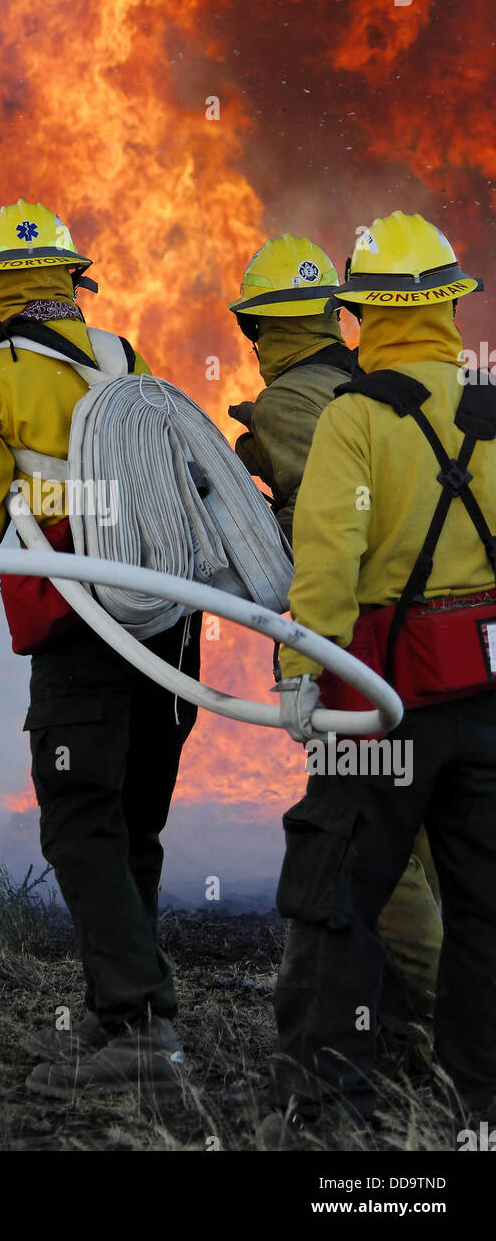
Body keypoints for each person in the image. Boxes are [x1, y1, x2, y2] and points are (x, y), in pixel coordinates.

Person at [0, 200, 200, 1099]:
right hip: (172, 625)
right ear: (71, 286)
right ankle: (120, 1014)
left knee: (79, 820)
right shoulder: (131, 362)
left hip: (83, 625)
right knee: (132, 822)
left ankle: (136, 1030)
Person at [267, 211, 495, 1143]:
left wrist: (298, 676)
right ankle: (475, 1099)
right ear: (445, 305)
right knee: (483, 902)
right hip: (486, 702)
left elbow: (325, 563)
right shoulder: (490, 405)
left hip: (376, 709)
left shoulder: (352, 418)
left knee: (336, 901)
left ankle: (327, 1113)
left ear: (359, 313)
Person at [228, 234, 443, 1051]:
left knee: (371, 864)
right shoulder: (377, 385)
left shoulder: (288, 406)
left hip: (359, 652)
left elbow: (323, 544)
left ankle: (440, 1017)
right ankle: (404, 1033)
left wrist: (300, 671)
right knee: (424, 842)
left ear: (256, 330)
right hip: (436, 650)